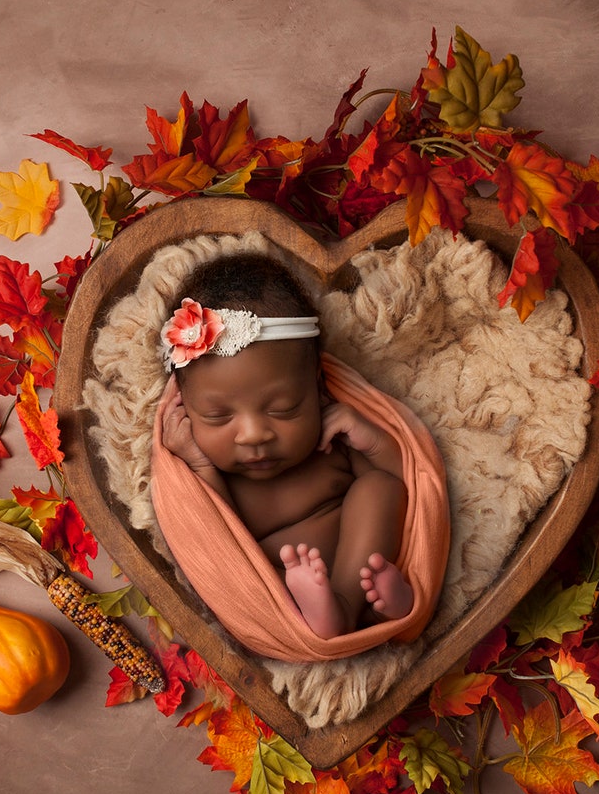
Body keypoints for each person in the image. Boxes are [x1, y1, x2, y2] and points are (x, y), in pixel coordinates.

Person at [157, 254, 414, 639]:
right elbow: (213, 541)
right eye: (217, 417)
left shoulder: (331, 445)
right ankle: (349, 615)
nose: (253, 434)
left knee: (381, 489)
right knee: (244, 568)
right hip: (283, 598)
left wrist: (370, 437)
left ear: (316, 385)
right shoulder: (215, 471)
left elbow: (409, 484)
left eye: (284, 408)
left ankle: (369, 611)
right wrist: (199, 464)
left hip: (357, 576)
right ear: (184, 407)